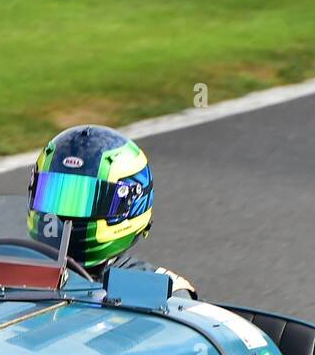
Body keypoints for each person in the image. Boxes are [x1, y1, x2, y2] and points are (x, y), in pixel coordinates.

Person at [27, 124, 195, 295]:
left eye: (83, 202)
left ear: (129, 205)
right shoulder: (10, 270)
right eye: (55, 196)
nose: (63, 214)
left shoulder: (161, 292)